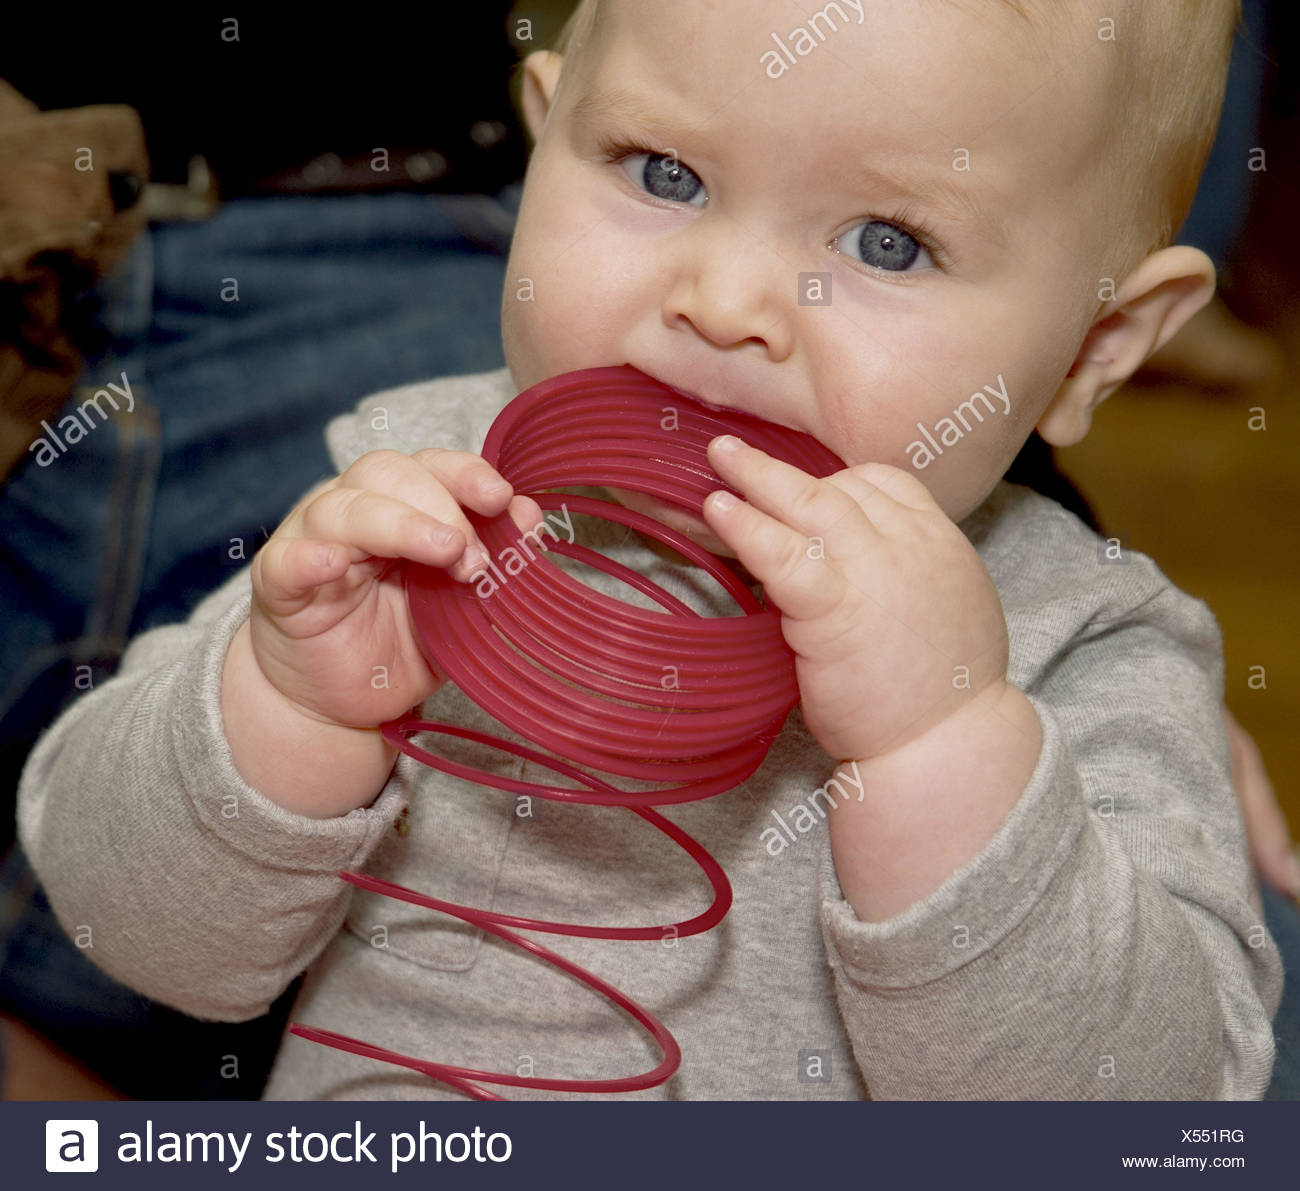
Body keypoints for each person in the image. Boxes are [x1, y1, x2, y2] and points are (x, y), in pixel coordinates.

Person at [13, 0, 1287, 1099]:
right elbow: (134, 930)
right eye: (662, 174)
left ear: (1093, 347)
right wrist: (285, 714)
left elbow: (1156, 1114)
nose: (724, 304)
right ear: (543, 136)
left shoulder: (1085, 645)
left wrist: (941, 752)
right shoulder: (410, 508)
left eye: (888, 243)